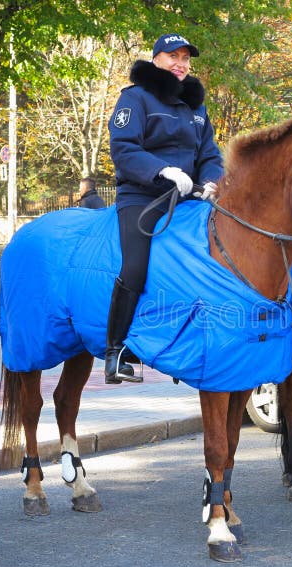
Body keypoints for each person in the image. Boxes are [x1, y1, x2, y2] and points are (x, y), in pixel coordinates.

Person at [105, 33, 224, 384]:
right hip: (143, 198)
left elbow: (210, 154)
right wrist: (163, 170)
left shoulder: (196, 107)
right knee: (136, 265)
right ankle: (116, 352)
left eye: (186, 58)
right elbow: (124, 149)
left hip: (189, 199)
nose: (181, 64)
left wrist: (213, 180)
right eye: (173, 56)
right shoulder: (135, 98)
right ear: (156, 59)